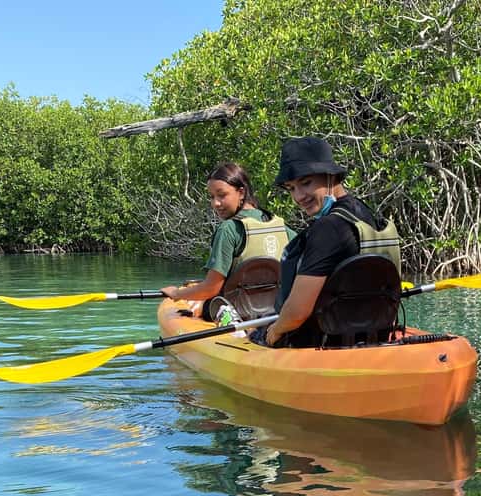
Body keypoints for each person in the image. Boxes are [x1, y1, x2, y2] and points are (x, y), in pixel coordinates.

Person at [262, 137, 401, 348]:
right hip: (372, 335)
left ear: (330, 176)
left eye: (306, 183)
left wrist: (275, 330)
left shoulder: (328, 229)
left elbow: (297, 313)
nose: (299, 196)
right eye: (291, 188)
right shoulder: (362, 212)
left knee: (258, 333)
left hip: (323, 344)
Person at [161, 163, 293, 319]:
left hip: (238, 313)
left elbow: (211, 289)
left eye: (222, 195)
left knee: (203, 304)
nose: (215, 203)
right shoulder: (280, 225)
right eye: (212, 197)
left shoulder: (228, 229)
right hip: (277, 311)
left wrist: (177, 293)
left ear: (241, 192)